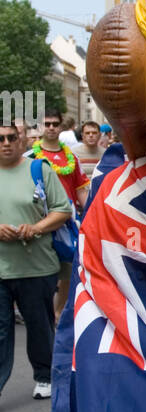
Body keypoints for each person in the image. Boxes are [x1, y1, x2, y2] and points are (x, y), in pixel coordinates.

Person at [0, 121, 72, 402]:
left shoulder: (38, 170)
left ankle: (44, 376)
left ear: (22, 141)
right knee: (1, 328)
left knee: (39, 324)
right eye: (1, 139)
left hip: (36, 265)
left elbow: (62, 210)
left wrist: (37, 227)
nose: (6, 143)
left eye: (11, 138)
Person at [29, 112, 88, 321]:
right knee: (41, 270)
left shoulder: (71, 157)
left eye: (55, 124)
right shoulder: (31, 156)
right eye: (47, 124)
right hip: (39, 220)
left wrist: (89, 211)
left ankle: (59, 312)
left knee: (69, 268)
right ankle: (40, 312)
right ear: (40, 127)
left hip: (66, 222)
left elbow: (81, 188)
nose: (51, 128)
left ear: (61, 127)